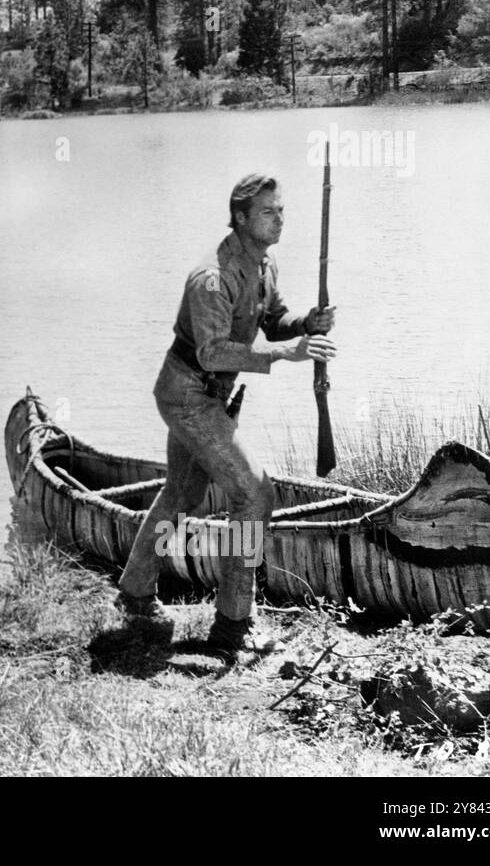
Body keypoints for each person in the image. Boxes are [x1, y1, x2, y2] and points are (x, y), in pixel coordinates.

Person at [116, 174, 337, 658]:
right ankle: (233, 625)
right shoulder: (211, 278)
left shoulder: (263, 263)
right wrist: (286, 355)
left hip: (208, 395)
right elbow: (214, 353)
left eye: (281, 211)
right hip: (188, 394)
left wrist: (304, 323)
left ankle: (134, 593)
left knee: (181, 493)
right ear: (239, 218)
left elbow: (271, 318)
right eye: (267, 212)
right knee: (255, 495)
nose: (279, 220)